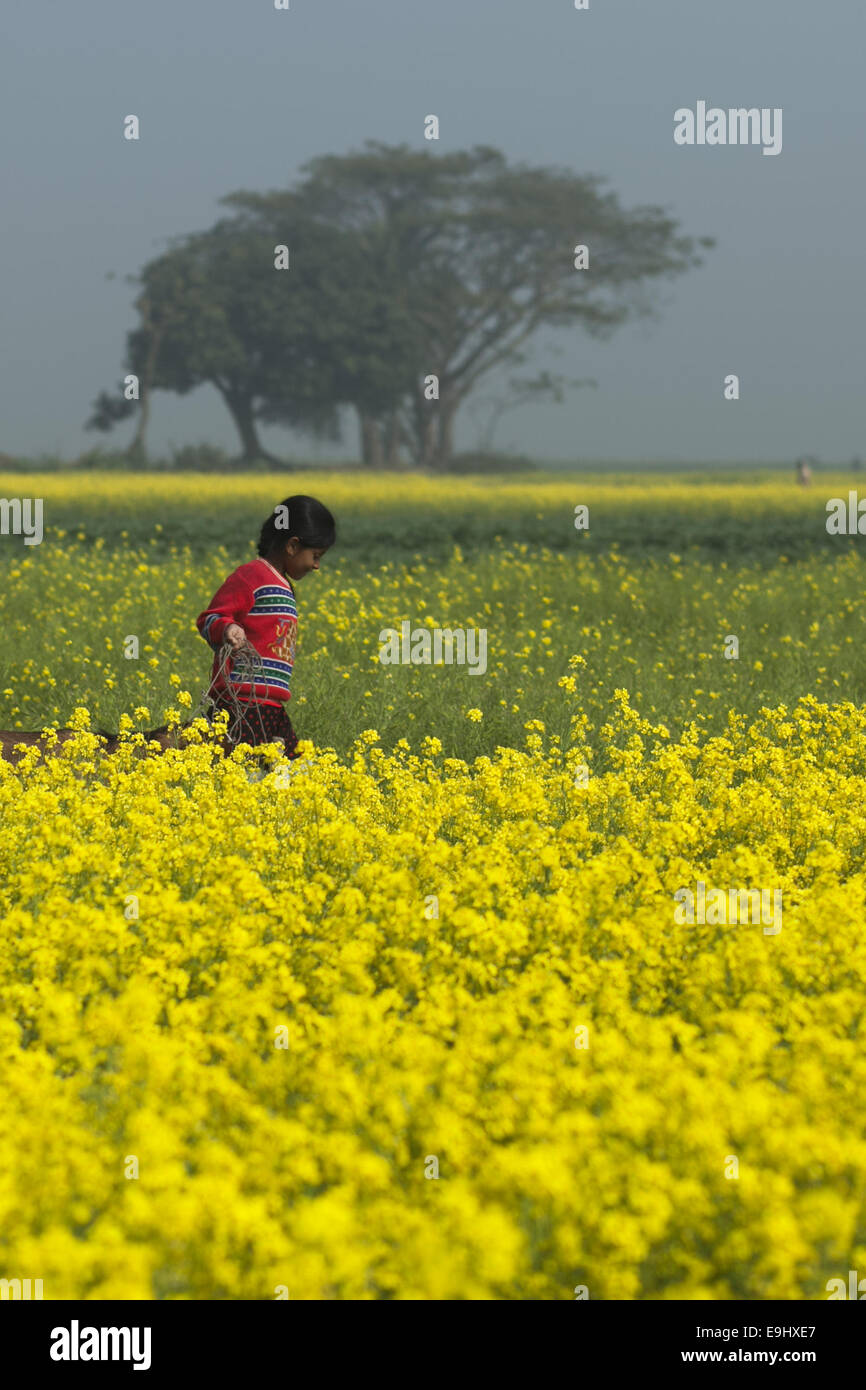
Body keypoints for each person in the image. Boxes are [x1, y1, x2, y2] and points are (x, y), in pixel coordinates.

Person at [196, 495, 335, 759]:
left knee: (296, 774)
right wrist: (227, 630)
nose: (316, 565)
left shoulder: (283, 585)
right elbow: (209, 619)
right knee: (251, 775)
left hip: (271, 705)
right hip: (241, 704)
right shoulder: (252, 576)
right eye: (315, 556)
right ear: (293, 546)